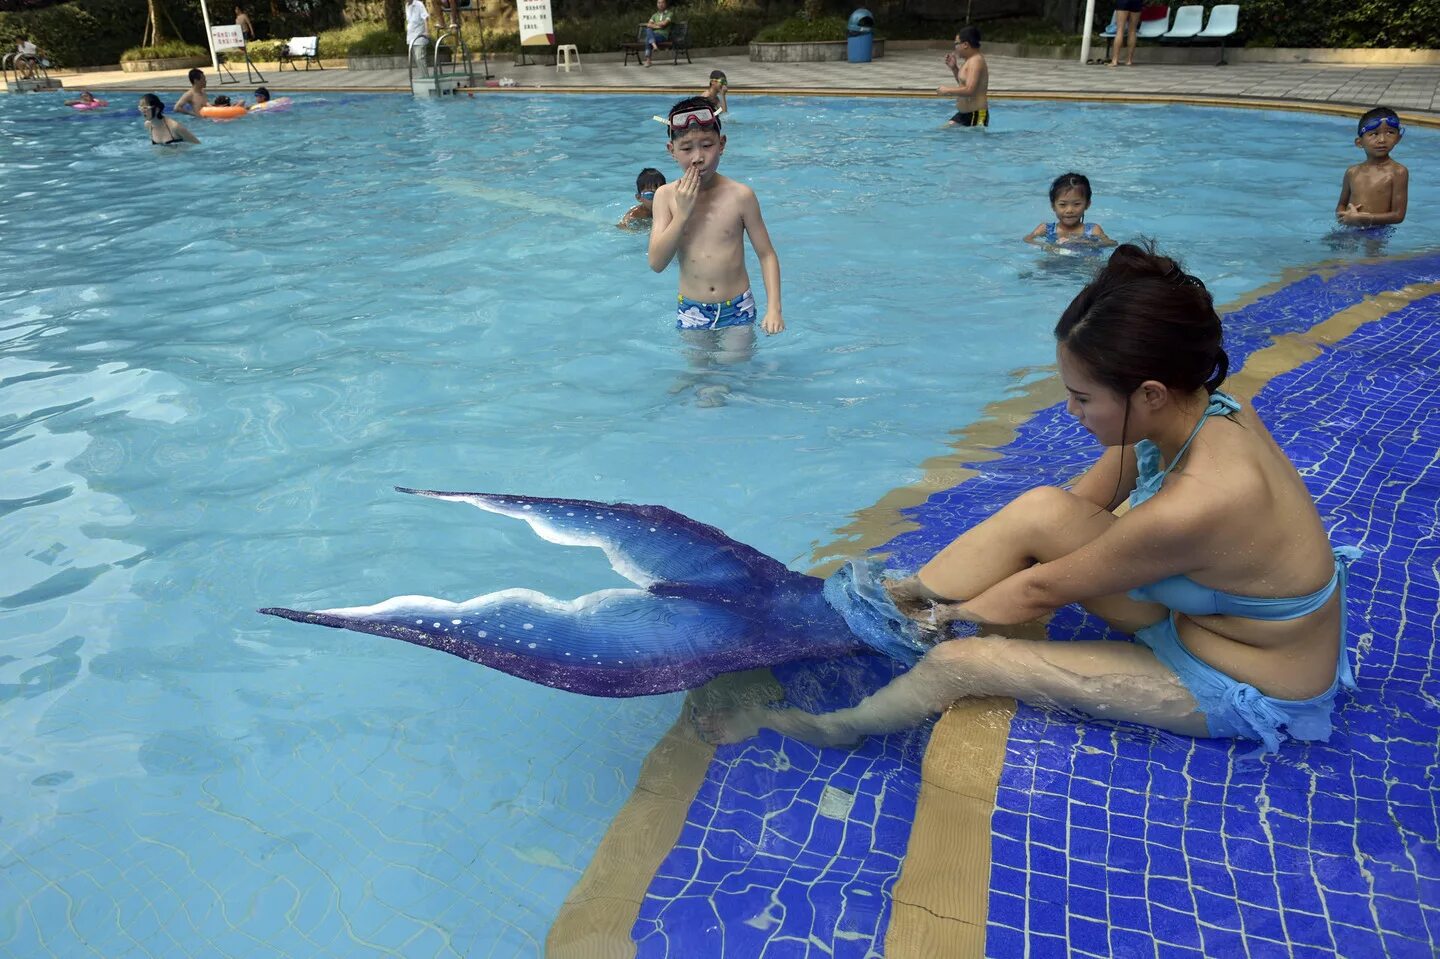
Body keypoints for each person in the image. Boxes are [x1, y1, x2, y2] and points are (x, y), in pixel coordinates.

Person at [700, 243, 1363, 754]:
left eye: (1081, 398)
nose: (1070, 411)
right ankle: (881, 611)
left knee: (965, 661)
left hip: (1253, 681)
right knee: (1042, 507)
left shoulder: (1199, 502)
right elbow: (1076, 507)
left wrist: (950, 618)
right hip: (1205, 618)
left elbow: (1042, 590)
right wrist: (938, 595)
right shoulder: (1199, 407)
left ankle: (831, 726)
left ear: (1149, 393)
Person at [648, 97, 783, 388]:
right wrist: (682, 214)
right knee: (698, 375)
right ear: (672, 151)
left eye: (707, 146)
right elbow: (657, 263)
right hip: (692, 310)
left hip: (737, 309)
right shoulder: (665, 197)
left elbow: (767, 254)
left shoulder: (740, 196)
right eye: (686, 149)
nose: (698, 157)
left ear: (722, 144)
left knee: (728, 378)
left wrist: (775, 308)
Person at [1335, 107, 1408, 229]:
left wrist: (1364, 219)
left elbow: (1398, 215)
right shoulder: (1352, 172)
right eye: (1374, 134)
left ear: (1398, 138)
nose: (1382, 140)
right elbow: (1341, 205)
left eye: (1390, 132)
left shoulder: (1398, 172)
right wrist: (1344, 215)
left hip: (1377, 231)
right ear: (1359, 143)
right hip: (1350, 226)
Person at [1024, 173, 1116, 250]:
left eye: (1076, 204)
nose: (1069, 210)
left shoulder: (1093, 230)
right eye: (1063, 205)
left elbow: (1111, 243)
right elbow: (1028, 239)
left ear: (1087, 204)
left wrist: (1088, 243)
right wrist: (1047, 246)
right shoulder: (1046, 229)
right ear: (1053, 206)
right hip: (1055, 264)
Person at [939, 26, 989, 127]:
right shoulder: (969, 60)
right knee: (942, 133)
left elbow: (970, 90)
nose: (955, 48)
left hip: (975, 115)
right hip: (964, 115)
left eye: (956, 44)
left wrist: (947, 90)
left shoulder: (976, 61)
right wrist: (954, 68)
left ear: (965, 44)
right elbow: (964, 84)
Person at [1110, 0, 1142, 67]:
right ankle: (1129, 60)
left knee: (1120, 30)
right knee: (1133, 31)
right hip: (1136, 2)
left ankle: (1115, 60)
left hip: (1123, 2)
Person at [640, 0, 672, 68]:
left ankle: (648, 61)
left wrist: (654, 25)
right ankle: (654, 45)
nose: (660, 4)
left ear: (665, 4)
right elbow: (648, 25)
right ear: (657, 4)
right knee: (648, 30)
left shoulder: (669, 13)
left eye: (662, 2)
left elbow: (664, 24)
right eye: (659, 3)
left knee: (648, 37)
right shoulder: (654, 15)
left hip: (662, 36)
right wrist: (659, 25)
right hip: (653, 35)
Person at [406, 0, 431, 74]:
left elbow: (425, 18)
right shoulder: (407, 6)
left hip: (419, 36)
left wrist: (427, 31)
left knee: (420, 58)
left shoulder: (419, 4)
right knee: (417, 60)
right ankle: (423, 77)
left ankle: (425, 78)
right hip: (411, 37)